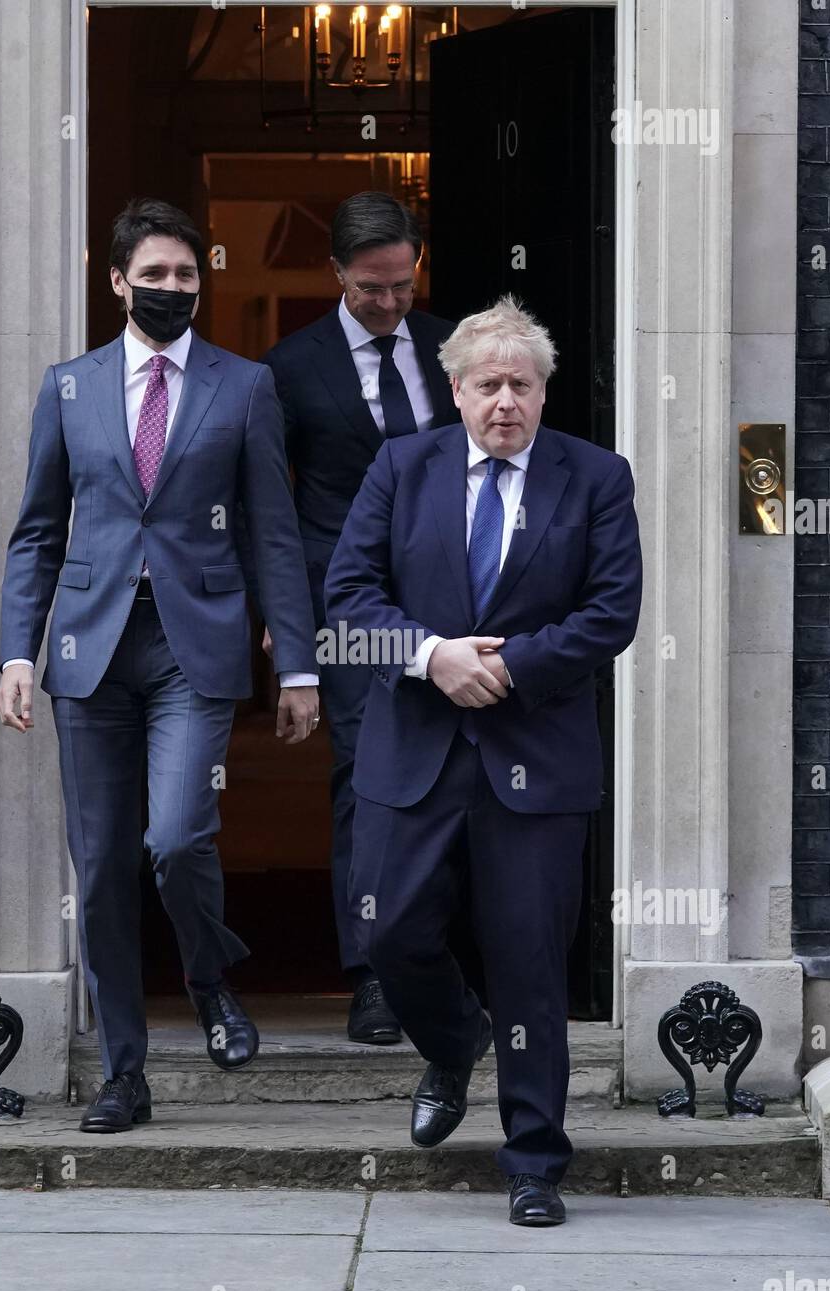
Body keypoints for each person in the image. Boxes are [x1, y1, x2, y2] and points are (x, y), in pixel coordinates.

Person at [0, 198, 319, 1133]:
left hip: (195, 646)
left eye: (187, 276)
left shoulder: (245, 386)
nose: (173, 289)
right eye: (156, 276)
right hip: (87, 652)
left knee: (175, 838)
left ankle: (210, 974)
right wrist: (18, 650)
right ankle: (125, 1074)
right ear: (117, 282)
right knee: (99, 869)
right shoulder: (68, 388)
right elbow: (34, 535)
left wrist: (295, 664)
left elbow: (274, 533)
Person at [324, 294, 642, 1224]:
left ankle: (535, 1160)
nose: (506, 401)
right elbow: (348, 596)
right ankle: (454, 1037)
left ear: (545, 394)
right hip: (414, 748)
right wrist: (435, 658)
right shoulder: (400, 468)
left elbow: (611, 613)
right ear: (454, 391)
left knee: (529, 957)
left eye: (523, 384)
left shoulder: (596, 478)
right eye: (487, 384)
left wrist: (508, 671)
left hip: (535, 756)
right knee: (390, 932)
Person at [261, 192, 460, 1043]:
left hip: (449, 598)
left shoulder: (453, 348)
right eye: (370, 288)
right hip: (345, 604)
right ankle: (373, 973)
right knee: (364, 782)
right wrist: (285, 625)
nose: (388, 304)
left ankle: (446, 965)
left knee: (454, 779)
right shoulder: (290, 367)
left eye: (402, 285)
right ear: (337, 273)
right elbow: (275, 509)